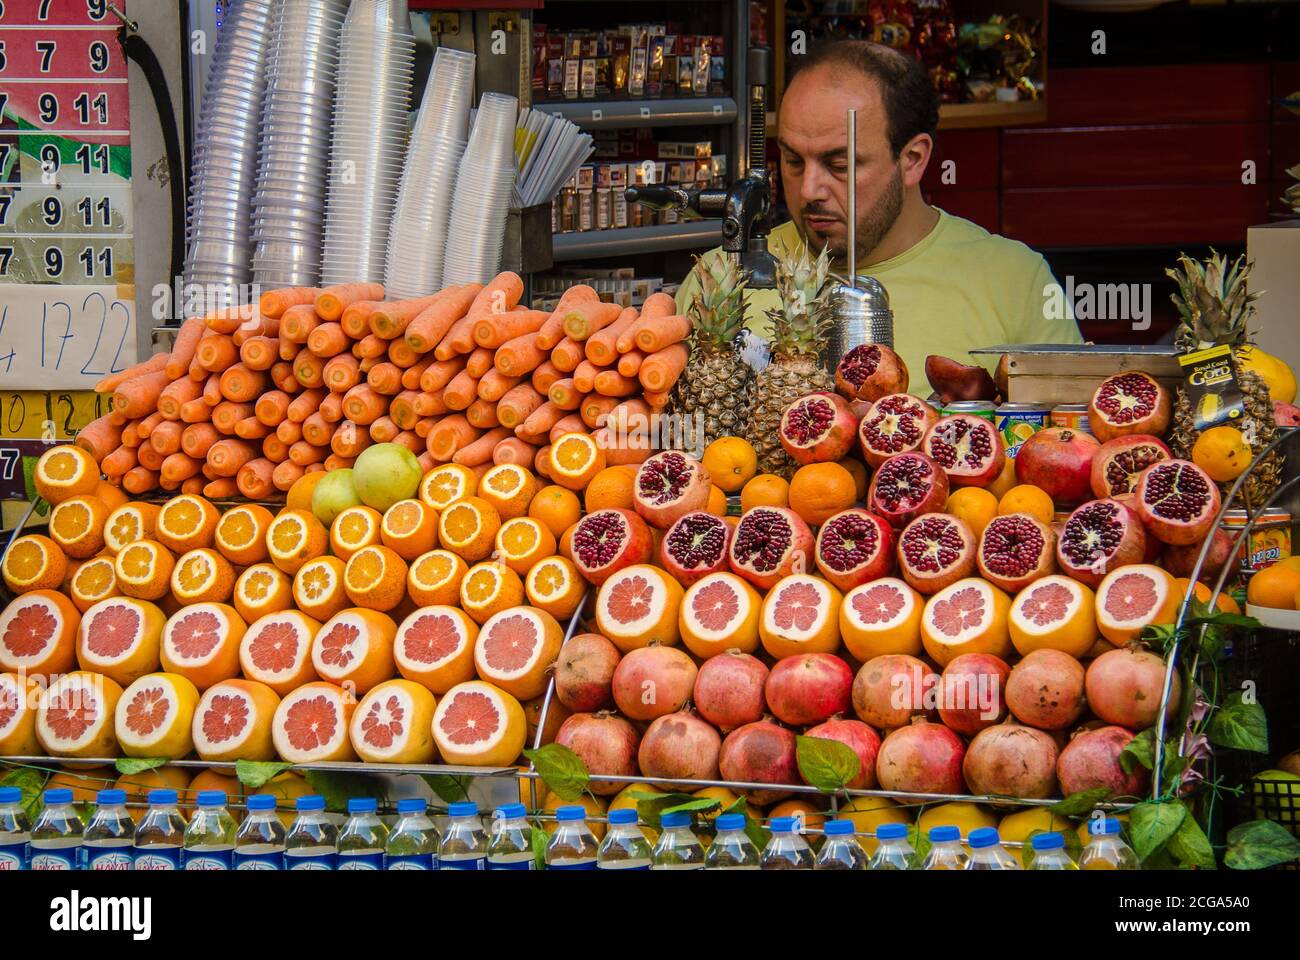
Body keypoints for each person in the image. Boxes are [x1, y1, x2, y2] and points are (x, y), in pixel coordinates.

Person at [675, 40, 1082, 394]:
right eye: (794, 161)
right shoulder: (723, 277)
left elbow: (1071, 438)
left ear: (913, 160)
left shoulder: (1015, 280)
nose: (810, 190)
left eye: (840, 164)